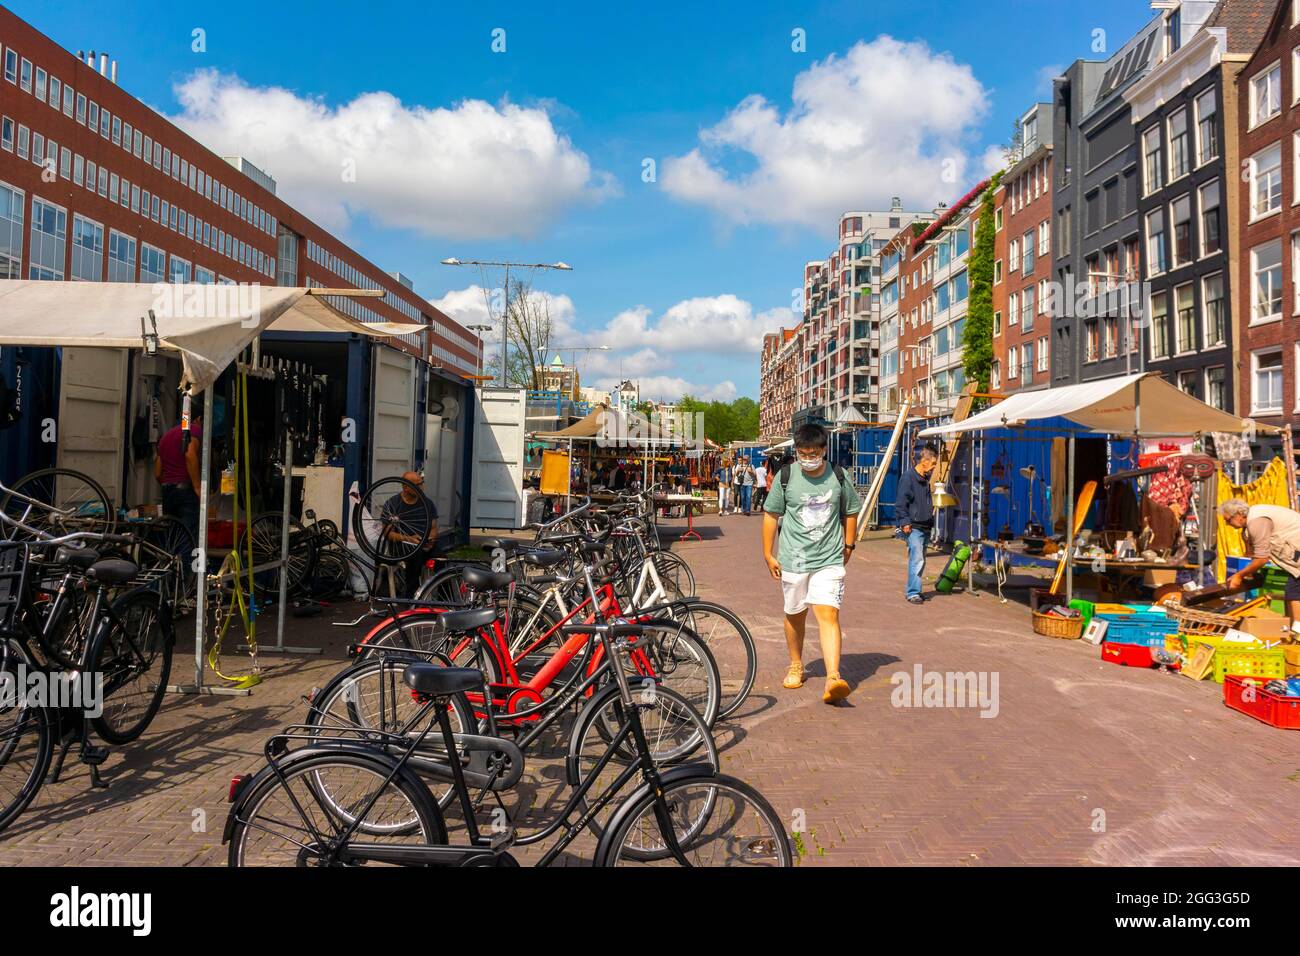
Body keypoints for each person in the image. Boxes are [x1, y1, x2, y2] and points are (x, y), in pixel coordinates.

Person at [762, 423, 861, 703]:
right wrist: (768, 554)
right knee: (795, 614)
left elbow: (851, 510)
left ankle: (833, 677)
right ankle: (796, 664)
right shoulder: (786, 476)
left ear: (823, 450)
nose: (808, 458)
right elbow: (771, 515)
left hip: (829, 558)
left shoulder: (838, 476)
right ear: (796, 451)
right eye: (803, 453)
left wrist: (849, 544)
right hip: (794, 558)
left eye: (813, 452)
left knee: (828, 614)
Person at [1221, 498, 1300, 629]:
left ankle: (1297, 636)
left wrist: (1239, 576)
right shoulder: (1250, 525)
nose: (1227, 524)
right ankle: (1291, 632)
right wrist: (1250, 573)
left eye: (1228, 520)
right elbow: (1255, 554)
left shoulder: (1257, 522)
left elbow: (1262, 559)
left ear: (1240, 514)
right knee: (1291, 593)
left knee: (1294, 594)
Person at [380, 471, 438, 598]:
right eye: (417, 485)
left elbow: (434, 527)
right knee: (415, 556)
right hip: (401, 545)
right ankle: (412, 597)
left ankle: (447, 599)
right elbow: (387, 533)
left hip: (424, 543)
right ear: (405, 487)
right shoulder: (393, 503)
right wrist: (409, 539)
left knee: (442, 558)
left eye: (422, 483)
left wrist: (431, 540)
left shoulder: (427, 503)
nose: (421, 488)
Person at [896, 444, 938, 605]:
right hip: (914, 527)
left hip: (925, 525)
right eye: (933, 463)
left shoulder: (924, 479)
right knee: (917, 559)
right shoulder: (908, 477)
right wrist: (904, 521)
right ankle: (912, 592)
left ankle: (916, 590)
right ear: (924, 461)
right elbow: (901, 502)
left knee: (920, 560)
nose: (934, 467)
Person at [154, 404, 203, 542]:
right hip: (185, 491)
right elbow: (189, 454)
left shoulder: (166, 436)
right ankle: (187, 564)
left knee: (172, 536)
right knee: (188, 537)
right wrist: (197, 487)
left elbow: (157, 472)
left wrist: (168, 484)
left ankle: (173, 562)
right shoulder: (194, 429)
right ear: (198, 418)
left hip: (167, 490)